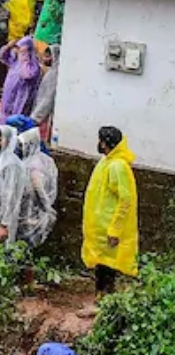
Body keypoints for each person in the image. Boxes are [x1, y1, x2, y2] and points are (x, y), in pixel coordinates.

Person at [82, 126, 138, 295]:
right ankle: (100, 301)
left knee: (107, 268)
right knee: (101, 265)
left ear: (106, 144)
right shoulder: (106, 162)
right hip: (100, 229)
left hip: (108, 229)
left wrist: (115, 230)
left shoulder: (117, 167)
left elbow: (125, 200)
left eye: (101, 140)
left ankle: (103, 304)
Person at [17, 128, 58, 248]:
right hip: (35, 207)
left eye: (22, 145)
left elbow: (38, 187)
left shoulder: (32, 164)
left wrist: (47, 208)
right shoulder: (45, 159)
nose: (20, 148)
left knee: (26, 243)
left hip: (32, 209)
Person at [0, 36, 43, 123]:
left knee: (16, 119)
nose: (19, 51)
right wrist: (9, 46)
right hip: (9, 94)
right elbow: (3, 57)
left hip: (21, 97)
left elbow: (26, 75)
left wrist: (25, 58)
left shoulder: (33, 65)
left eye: (21, 49)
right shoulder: (15, 61)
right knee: (4, 115)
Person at [32, 45, 60, 144]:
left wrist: (36, 117)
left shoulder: (54, 75)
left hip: (43, 116)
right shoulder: (51, 72)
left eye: (48, 56)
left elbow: (48, 98)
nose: (45, 59)